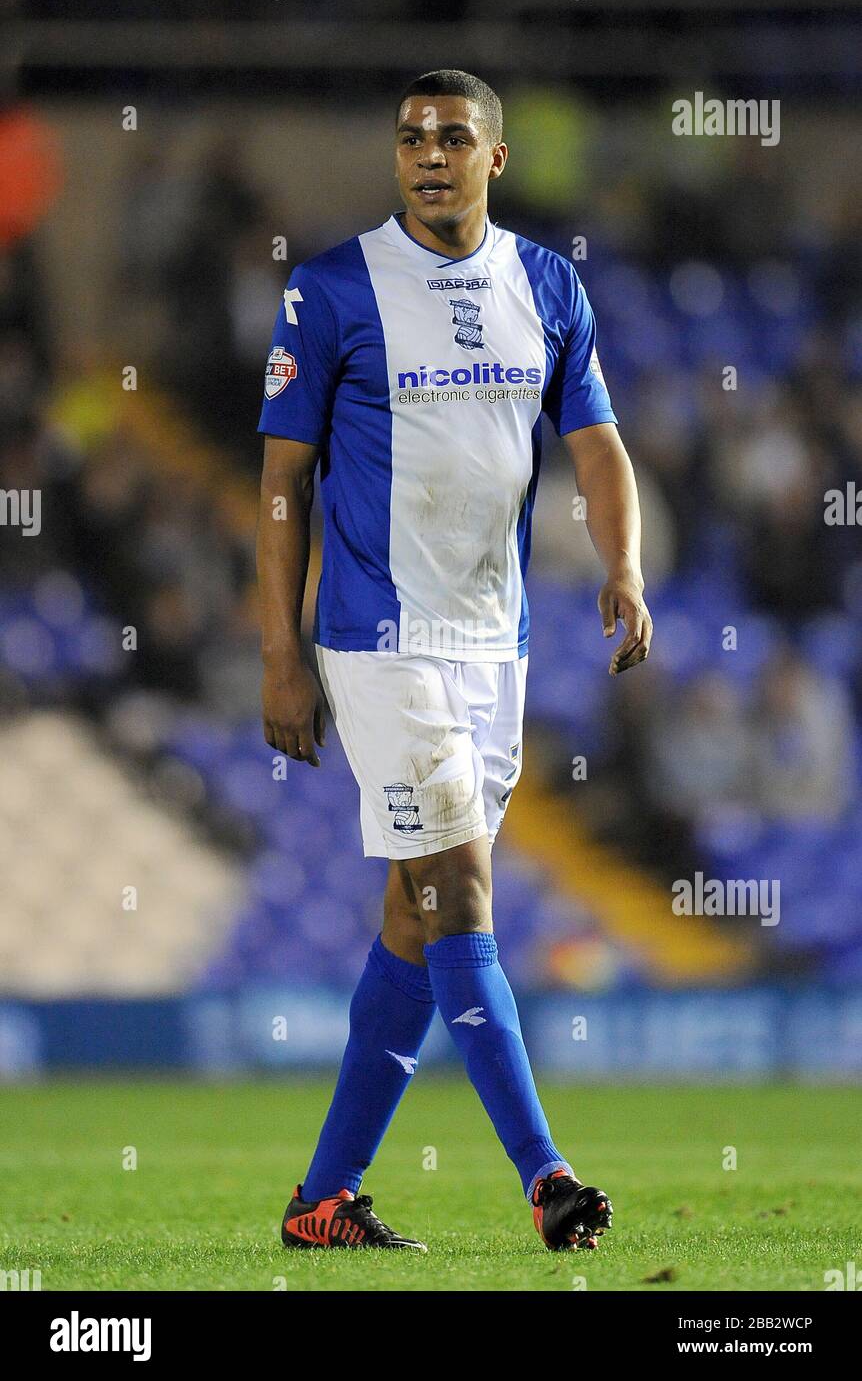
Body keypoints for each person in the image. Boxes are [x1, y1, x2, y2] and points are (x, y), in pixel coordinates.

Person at [256, 69, 652, 1253]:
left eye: (453, 136)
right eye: (411, 137)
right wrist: (281, 650)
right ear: (397, 158)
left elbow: (599, 450)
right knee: (462, 892)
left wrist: (622, 569)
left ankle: (323, 1201)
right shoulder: (330, 289)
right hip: (378, 637)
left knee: (414, 919)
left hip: (496, 643)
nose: (430, 154)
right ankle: (547, 1174)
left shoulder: (547, 285)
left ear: (497, 157)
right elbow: (281, 484)